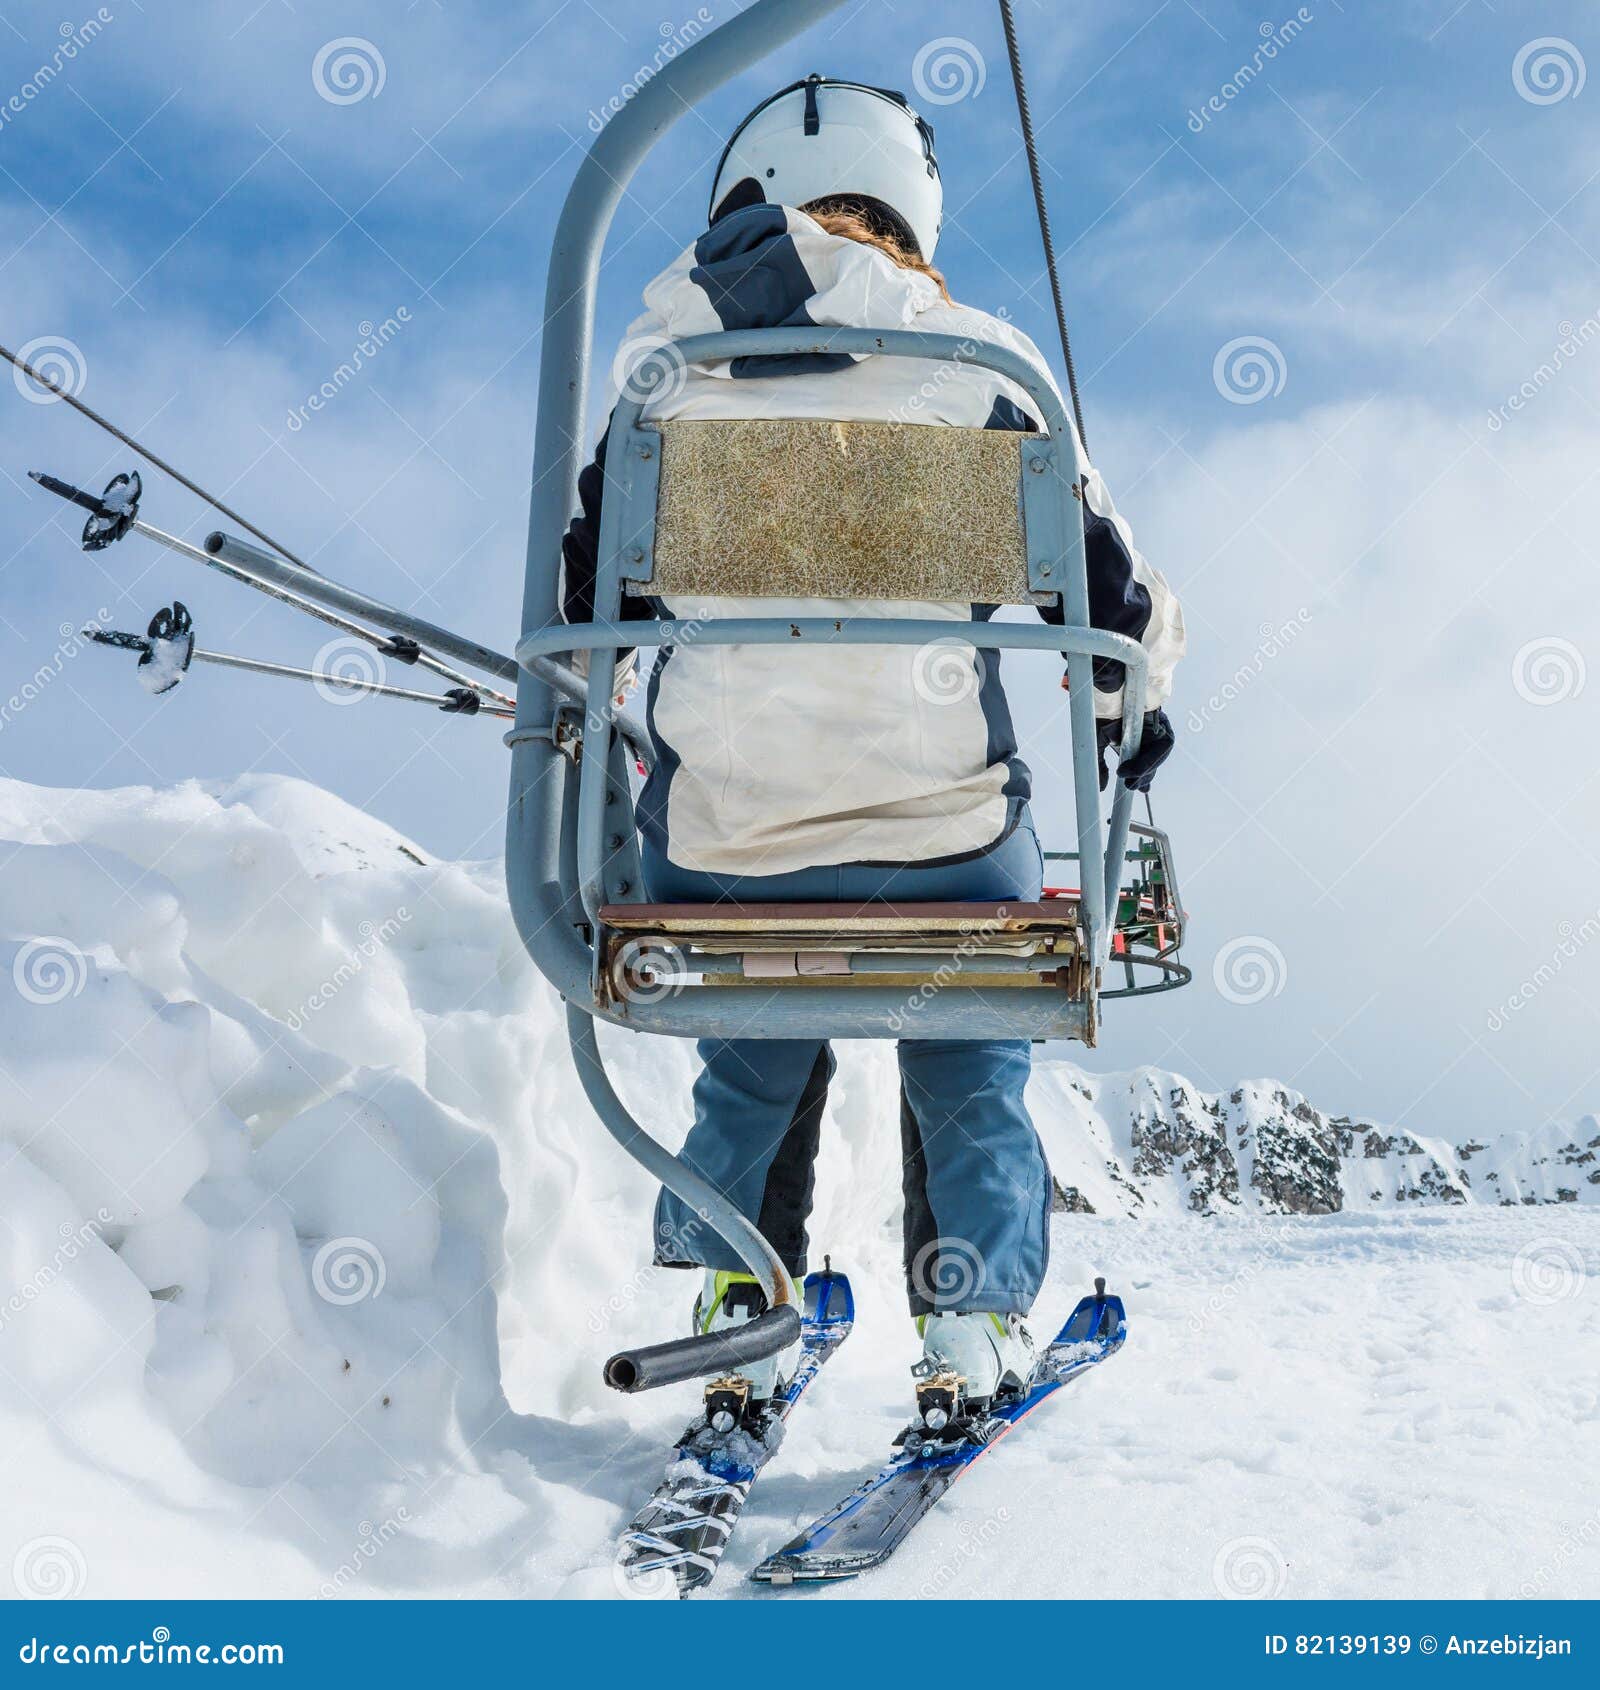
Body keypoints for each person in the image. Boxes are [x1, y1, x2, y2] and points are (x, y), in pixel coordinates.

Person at [562, 75, 1184, 1419]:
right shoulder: (984, 370)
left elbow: (580, 607)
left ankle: (739, 1294)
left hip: (724, 850)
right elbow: (1112, 609)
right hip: (947, 847)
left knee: (754, 1042)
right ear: (907, 212)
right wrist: (1133, 717)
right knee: (970, 1037)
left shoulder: (655, 386)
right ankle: (968, 1322)